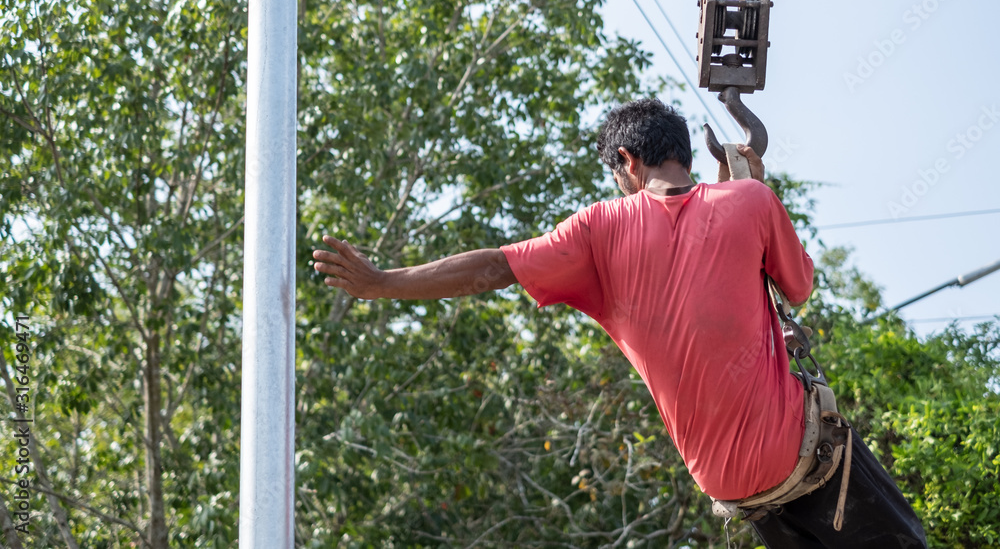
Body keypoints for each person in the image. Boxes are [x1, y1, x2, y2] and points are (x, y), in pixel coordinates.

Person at [312, 98, 926, 548]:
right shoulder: (750, 202)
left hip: (728, 483)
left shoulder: (600, 228)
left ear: (628, 163)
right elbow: (801, 285)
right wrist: (754, 190)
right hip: (795, 453)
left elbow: (494, 267)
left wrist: (383, 282)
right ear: (683, 154)